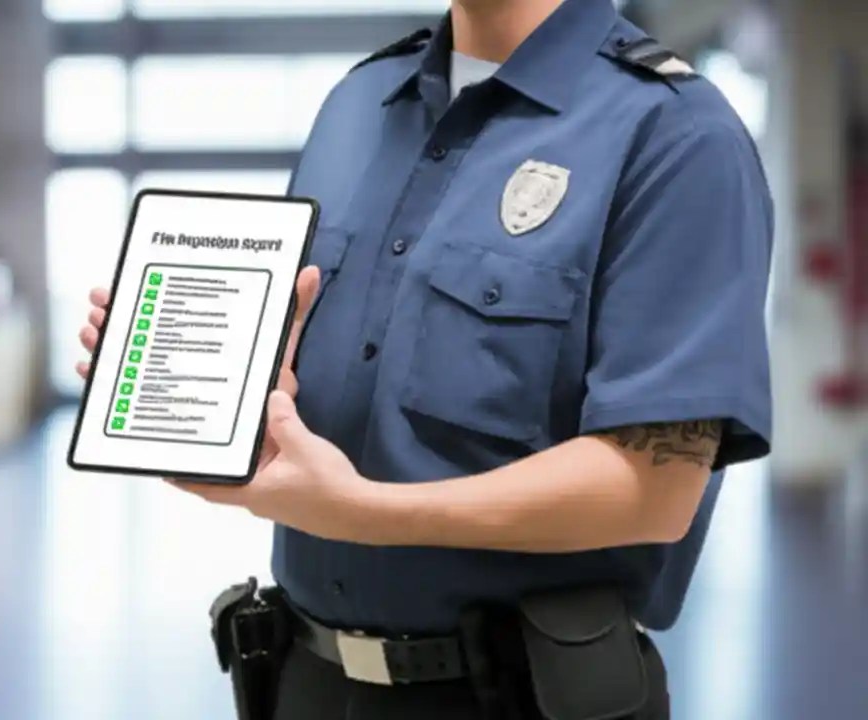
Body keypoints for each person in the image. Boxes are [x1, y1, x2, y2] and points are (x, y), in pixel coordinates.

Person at [77, 0, 773, 716]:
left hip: (513, 696)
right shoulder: (357, 104)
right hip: (305, 681)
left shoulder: (677, 134)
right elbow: (339, 389)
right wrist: (237, 399)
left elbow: (655, 493)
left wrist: (366, 513)